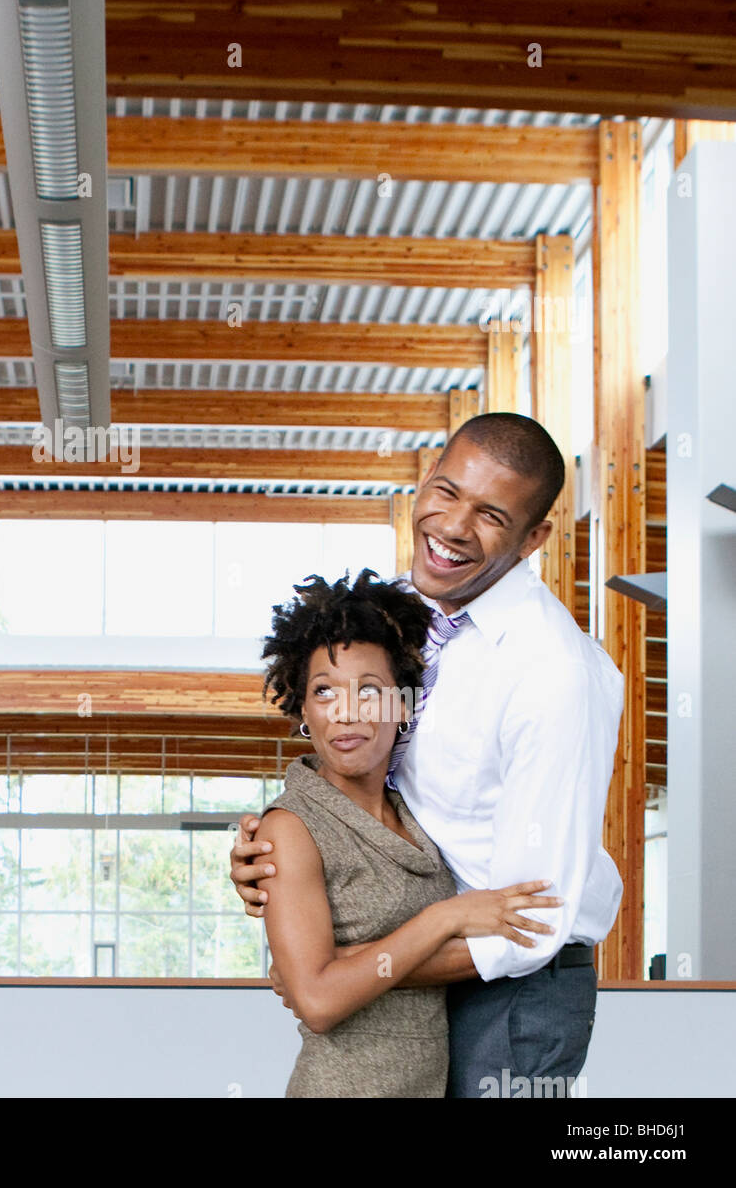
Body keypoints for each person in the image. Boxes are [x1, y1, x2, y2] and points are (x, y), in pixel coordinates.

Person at [231, 413, 624, 1098]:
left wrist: (334, 966)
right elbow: (357, 762)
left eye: (491, 515)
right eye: (445, 492)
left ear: (534, 539)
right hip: (425, 968)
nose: (451, 527)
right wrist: (283, 863)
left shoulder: (555, 673)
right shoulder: (401, 611)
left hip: (515, 989)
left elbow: (530, 922)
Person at [255, 568, 560, 1097]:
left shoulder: (418, 813)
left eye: (369, 691)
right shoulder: (290, 828)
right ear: (304, 709)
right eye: (324, 691)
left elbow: (323, 974)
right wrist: (445, 918)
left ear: (403, 705)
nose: (347, 711)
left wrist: (343, 961)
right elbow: (319, 1003)